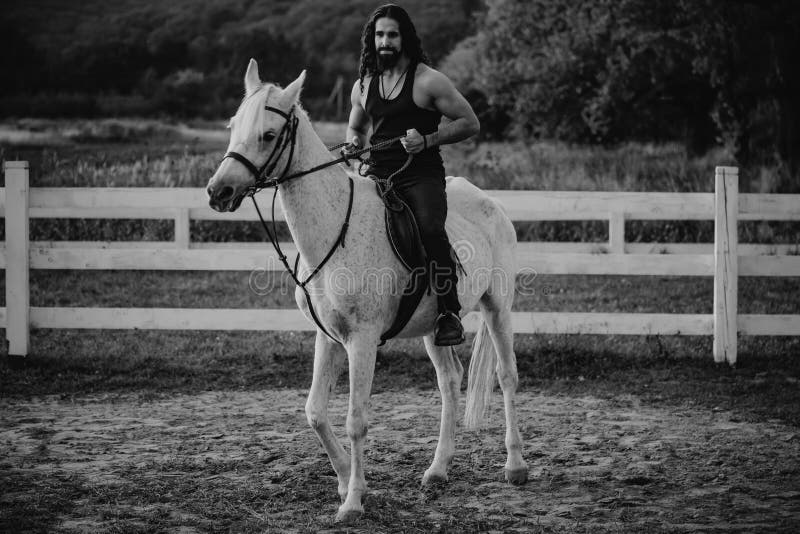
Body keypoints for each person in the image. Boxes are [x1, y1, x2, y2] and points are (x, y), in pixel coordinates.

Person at [344, 3, 480, 346]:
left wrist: (429, 140)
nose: (385, 41)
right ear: (372, 39)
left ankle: (448, 312)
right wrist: (352, 145)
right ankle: (364, 309)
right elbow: (356, 127)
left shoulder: (429, 81)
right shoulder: (364, 84)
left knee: (431, 230)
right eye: (379, 35)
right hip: (376, 175)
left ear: (404, 38)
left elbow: (470, 123)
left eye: (392, 34)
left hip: (420, 176)